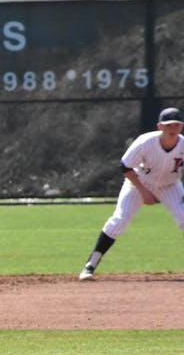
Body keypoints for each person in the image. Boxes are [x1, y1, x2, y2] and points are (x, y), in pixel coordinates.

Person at [78, 107, 184, 281]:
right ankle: (91, 264)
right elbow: (125, 166)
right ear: (160, 126)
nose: (173, 128)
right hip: (139, 182)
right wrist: (144, 191)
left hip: (170, 185)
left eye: (176, 125)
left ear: (181, 126)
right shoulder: (145, 142)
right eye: (168, 125)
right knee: (120, 220)